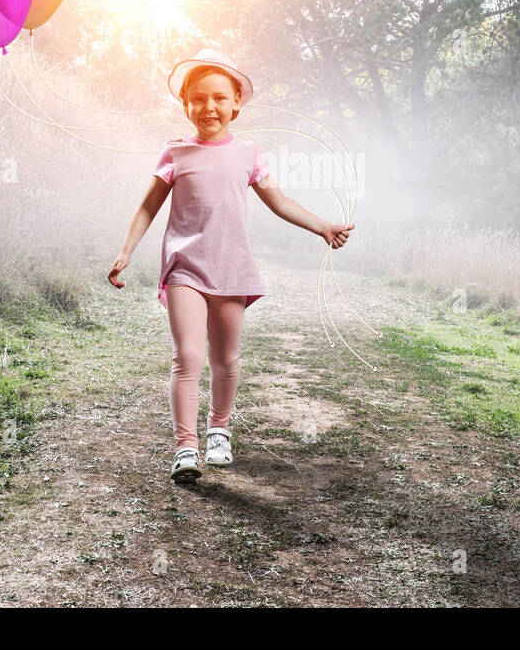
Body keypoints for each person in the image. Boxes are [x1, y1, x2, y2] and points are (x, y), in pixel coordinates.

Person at [108, 48, 355, 483]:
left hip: (232, 268)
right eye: (199, 98)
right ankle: (186, 448)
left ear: (236, 103)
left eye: (220, 98)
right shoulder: (175, 153)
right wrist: (126, 251)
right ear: (185, 104)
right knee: (187, 356)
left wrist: (322, 226)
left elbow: (279, 202)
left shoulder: (249, 154)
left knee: (226, 358)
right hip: (184, 267)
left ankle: (218, 431)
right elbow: (147, 208)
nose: (209, 107)